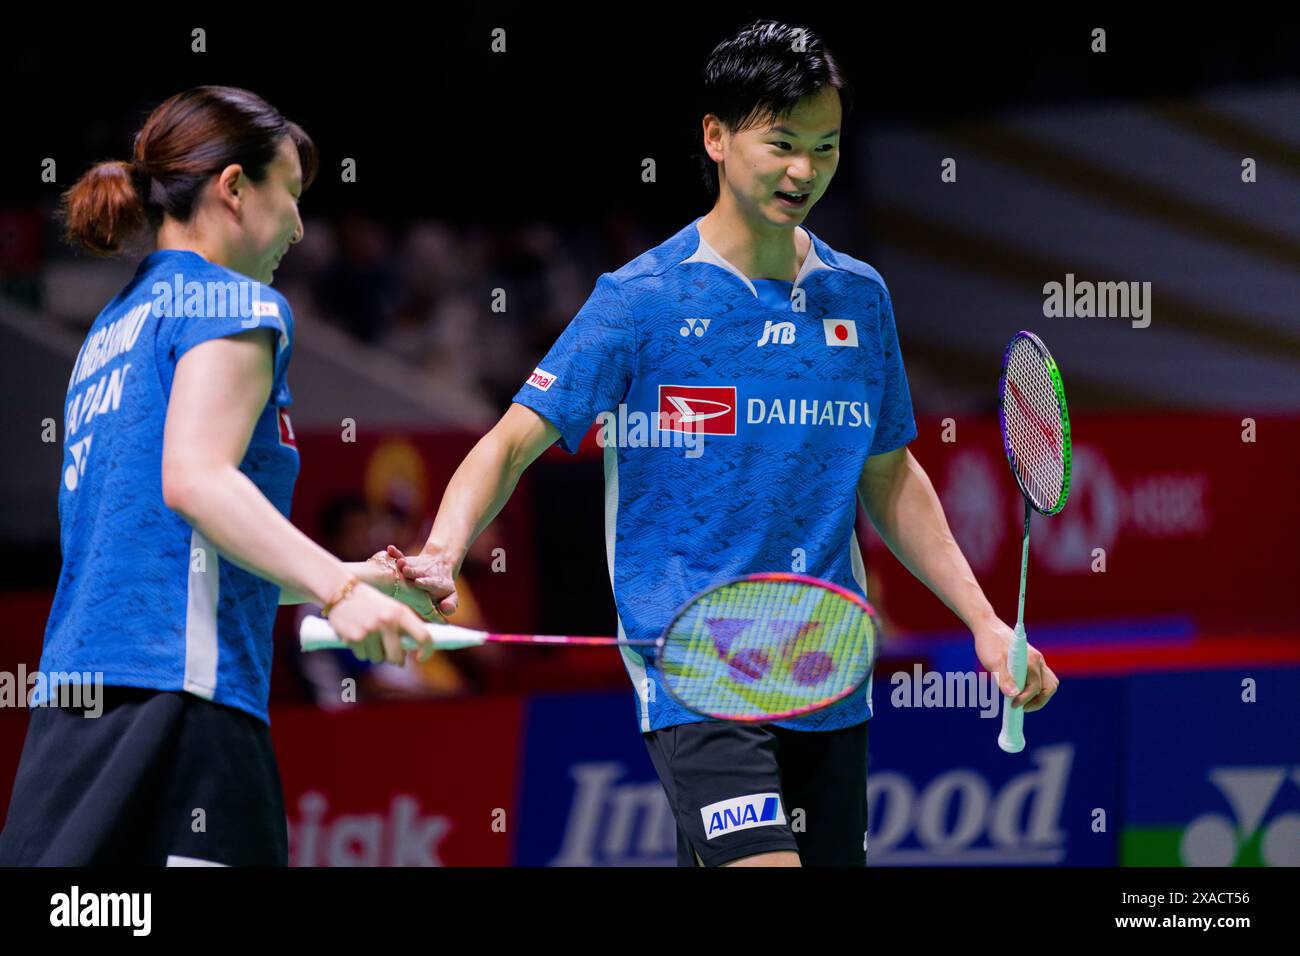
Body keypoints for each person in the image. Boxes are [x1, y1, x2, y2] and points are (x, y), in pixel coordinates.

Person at [392, 20, 1059, 867]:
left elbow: (889, 473)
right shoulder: (641, 301)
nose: (804, 171)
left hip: (826, 674)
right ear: (714, 137)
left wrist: (985, 623)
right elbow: (508, 443)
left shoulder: (860, 297)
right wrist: (444, 551)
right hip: (699, 674)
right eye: (781, 143)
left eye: (825, 146)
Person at [0, 86, 435, 867]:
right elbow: (196, 481)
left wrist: (346, 574)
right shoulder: (235, 305)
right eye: (291, 196)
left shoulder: (110, 332)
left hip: (73, 713)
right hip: (182, 712)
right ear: (234, 188)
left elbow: (173, 552)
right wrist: (339, 594)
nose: (301, 227)